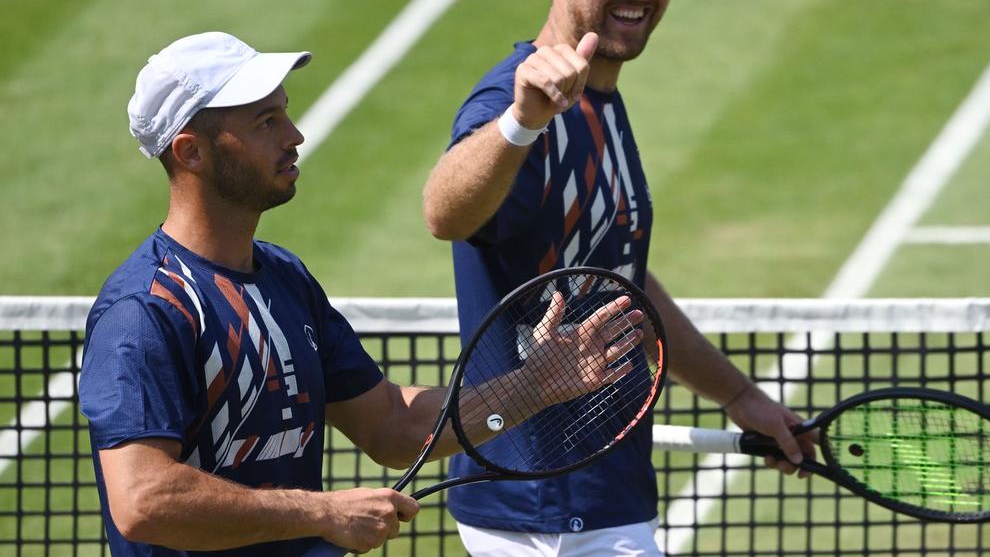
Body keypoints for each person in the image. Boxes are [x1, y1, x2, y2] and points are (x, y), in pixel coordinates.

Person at [80, 31, 640, 557]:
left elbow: (392, 426)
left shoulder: (283, 277)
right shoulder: (147, 311)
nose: (294, 136)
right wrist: (320, 513)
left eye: (286, 113)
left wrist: (535, 385)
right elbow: (144, 501)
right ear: (191, 152)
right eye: (266, 122)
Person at [422, 0, 818, 555]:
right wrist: (520, 120)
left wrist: (738, 395)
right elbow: (444, 213)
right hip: (547, 506)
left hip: (600, 493)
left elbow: (619, 280)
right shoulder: (516, 107)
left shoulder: (601, 98)